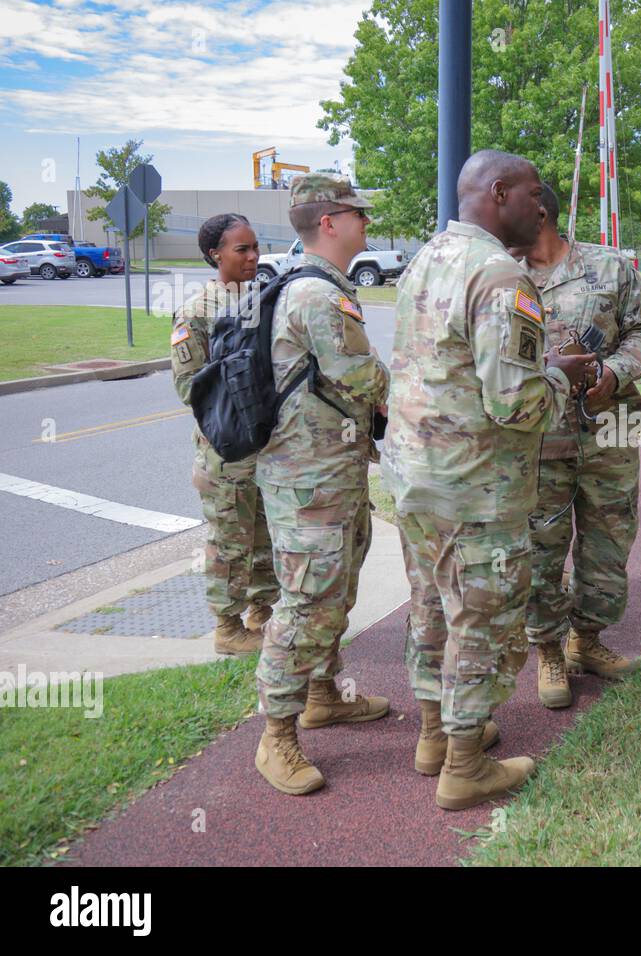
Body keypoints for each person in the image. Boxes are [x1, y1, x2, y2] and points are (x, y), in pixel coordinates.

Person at [383, 151, 594, 809]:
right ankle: (466, 766)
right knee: (482, 619)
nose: (541, 205)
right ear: (499, 192)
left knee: (430, 604)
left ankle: (432, 738)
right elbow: (516, 404)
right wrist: (565, 374)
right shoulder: (501, 276)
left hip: (416, 476)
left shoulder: (428, 257)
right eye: (533, 193)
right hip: (475, 485)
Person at [253, 173, 392, 796]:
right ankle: (275, 738)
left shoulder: (316, 286)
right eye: (356, 215)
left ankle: (322, 694)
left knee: (334, 589)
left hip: (327, 472)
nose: (366, 223)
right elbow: (359, 376)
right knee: (307, 600)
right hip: (307, 480)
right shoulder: (316, 295)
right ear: (329, 222)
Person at [508, 183, 641, 708]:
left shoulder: (609, 267)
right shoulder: (502, 276)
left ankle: (587, 639)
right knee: (541, 547)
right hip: (538, 439)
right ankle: (548, 648)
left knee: (608, 542)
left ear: (541, 213)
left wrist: (615, 373)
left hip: (608, 431)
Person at [171, 214, 279, 657]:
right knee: (229, 541)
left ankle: (263, 613)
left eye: (255, 247)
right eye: (242, 249)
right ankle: (228, 628)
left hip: (268, 448)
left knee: (265, 536)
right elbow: (187, 386)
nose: (253, 257)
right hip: (227, 450)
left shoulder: (266, 300)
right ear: (216, 254)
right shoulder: (198, 312)